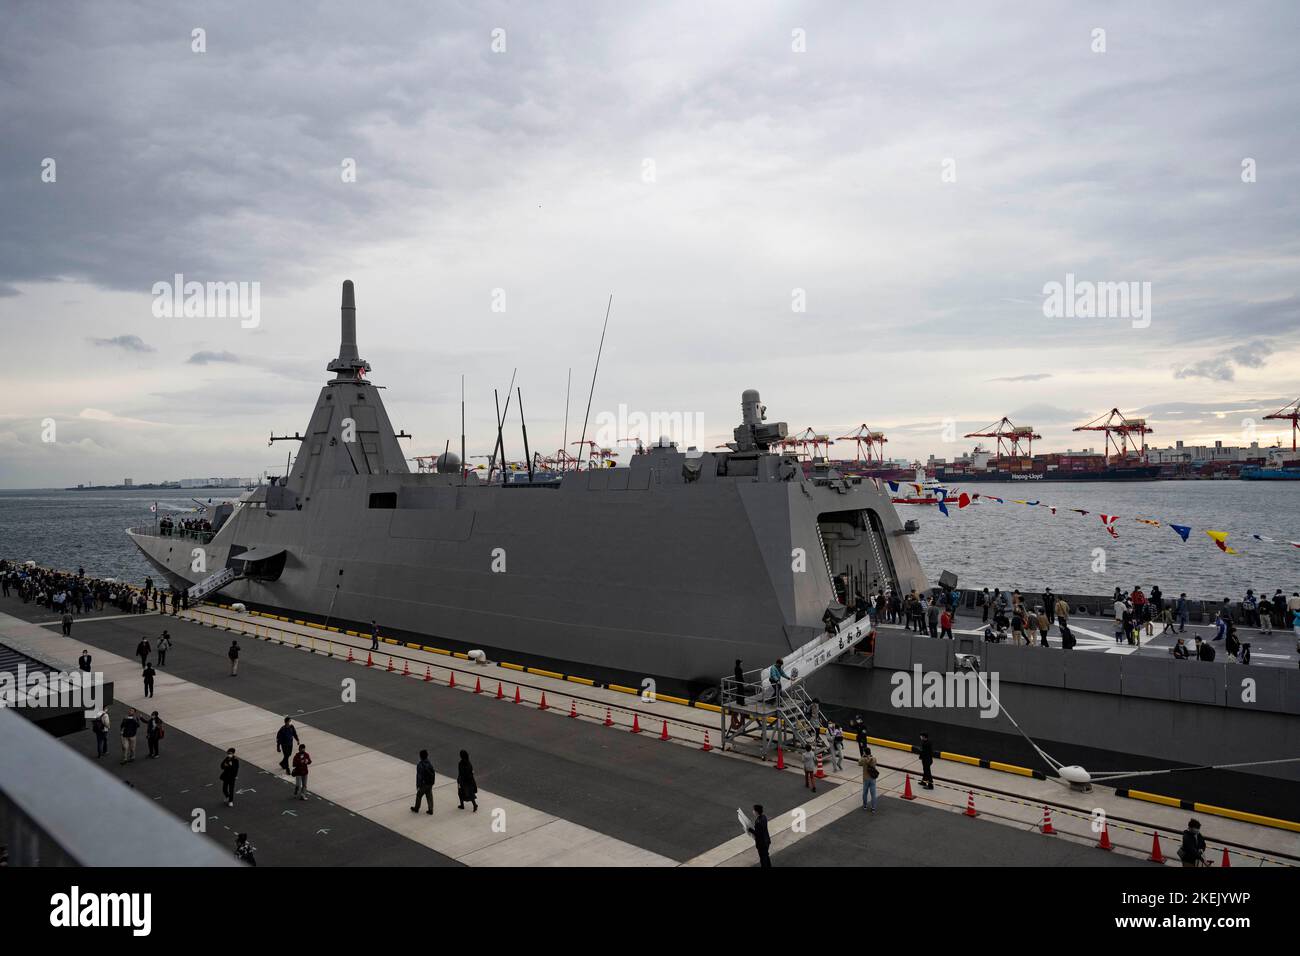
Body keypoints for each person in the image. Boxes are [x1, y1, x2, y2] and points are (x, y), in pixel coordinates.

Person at [412, 749, 436, 814]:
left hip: (424, 784)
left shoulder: (420, 765)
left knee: (419, 795)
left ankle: (416, 808)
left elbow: (419, 776)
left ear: (420, 756)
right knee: (429, 795)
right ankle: (430, 809)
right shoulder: (429, 763)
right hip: (430, 783)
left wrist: (418, 785)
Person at [859, 746, 879, 812]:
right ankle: (873, 808)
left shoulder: (863, 760)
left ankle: (865, 805)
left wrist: (863, 756)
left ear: (865, 752)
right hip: (873, 778)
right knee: (873, 794)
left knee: (865, 793)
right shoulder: (874, 759)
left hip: (866, 778)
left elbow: (859, 763)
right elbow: (875, 763)